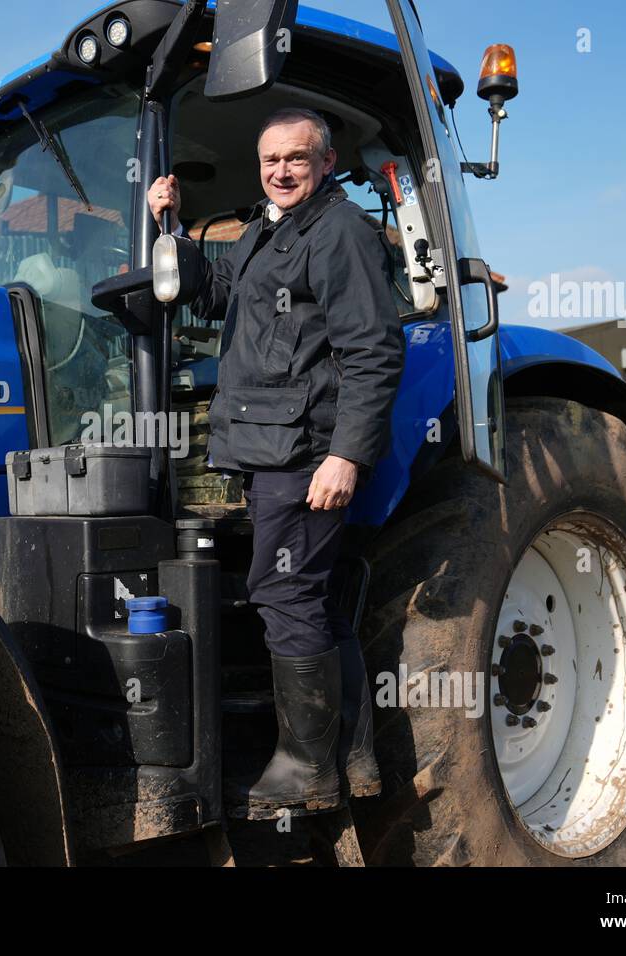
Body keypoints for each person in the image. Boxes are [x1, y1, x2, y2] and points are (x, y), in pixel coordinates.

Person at [148, 107, 404, 815]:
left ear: (324, 164)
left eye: (296, 158)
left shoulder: (340, 231)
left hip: (308, 449)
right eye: (270, 161)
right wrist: (171, 228)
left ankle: (306, 768)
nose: (281, 171)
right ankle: (349, 756)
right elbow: (215, 295)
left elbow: (373, 351)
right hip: (271, 444)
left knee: (284, 593)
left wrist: (346, 455)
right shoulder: (266, 232)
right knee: (311, 599)